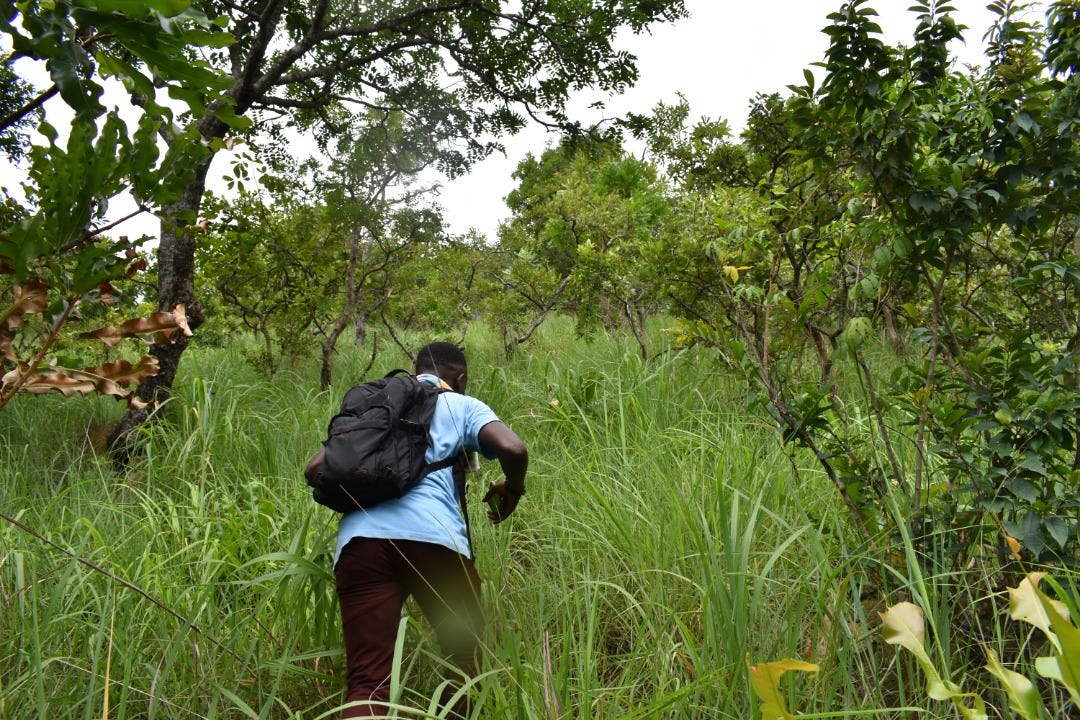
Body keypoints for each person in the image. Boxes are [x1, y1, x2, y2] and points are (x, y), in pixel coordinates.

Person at [305, 341, 528, 719]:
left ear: (415, 369)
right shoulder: (461, 404)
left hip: (361, 544)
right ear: (460, 378)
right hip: (435, 541)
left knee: (367, 682)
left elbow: (314, 468)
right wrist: (513, 489)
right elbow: (514, 448)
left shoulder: (378, 408)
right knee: (463, 668)